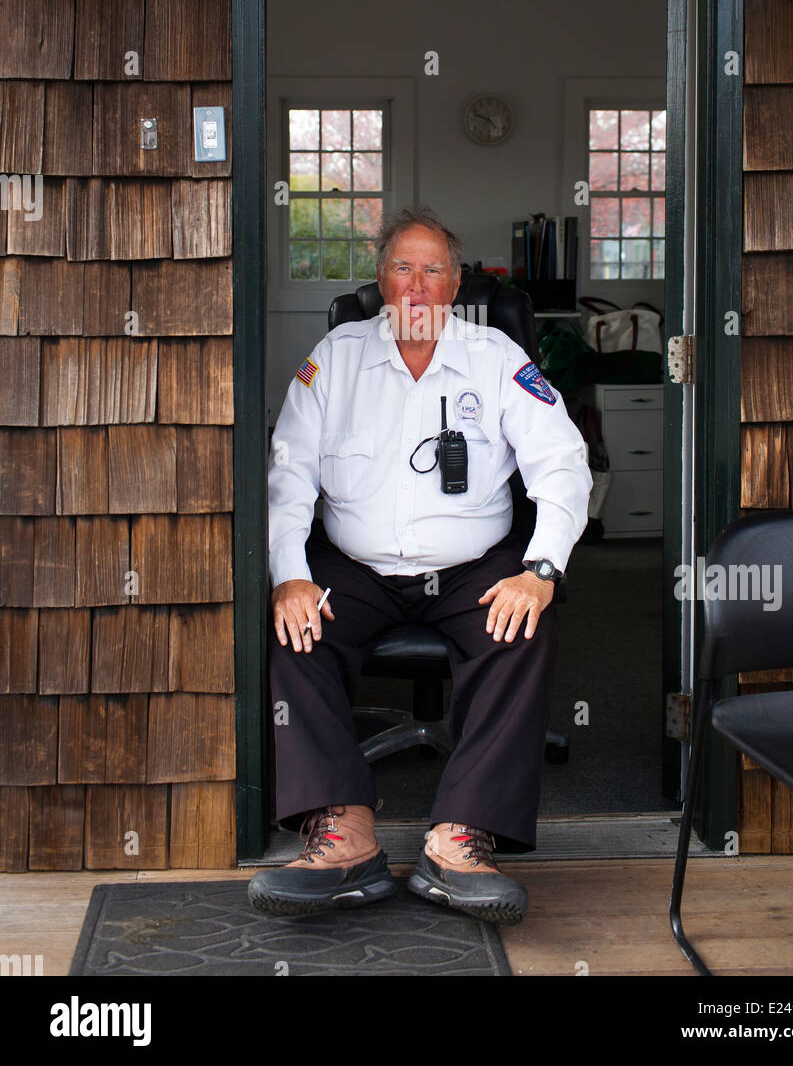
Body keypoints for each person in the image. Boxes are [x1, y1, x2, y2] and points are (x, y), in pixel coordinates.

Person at [247, 206, 593, 924]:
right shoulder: (334, 359)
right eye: (403, 267)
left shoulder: (498, 359)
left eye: (433, 269)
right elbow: (288, 477)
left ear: (456, 282)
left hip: (472, 565)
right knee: (295, 628)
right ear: (380, 279)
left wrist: (541, 570)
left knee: (522, 628)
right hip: (355, 564)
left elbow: (562, 465)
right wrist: (290, 574)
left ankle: (458, 841)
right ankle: (344, 837)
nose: (417, 284)